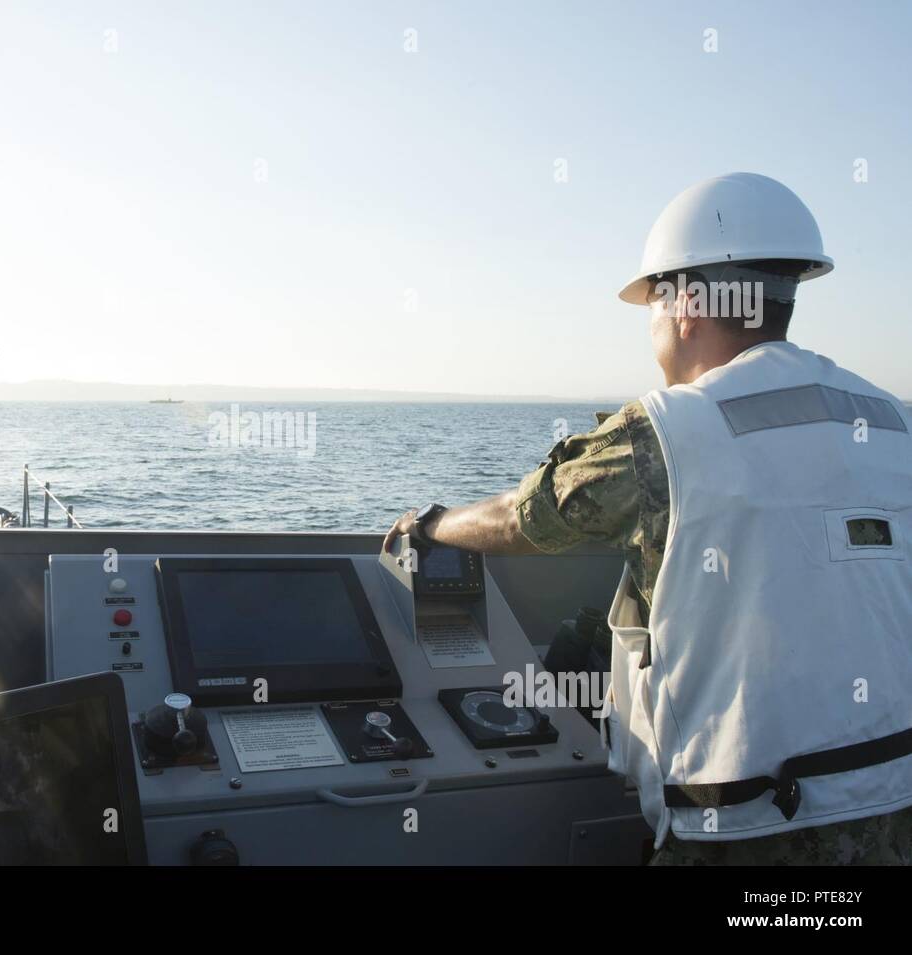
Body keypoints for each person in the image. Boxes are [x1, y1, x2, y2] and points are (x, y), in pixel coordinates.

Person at [384, 173, 912, 864]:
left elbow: (527, 516)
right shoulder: (890, 421)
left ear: (686, 302)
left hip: (745, 831)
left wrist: (430, 526)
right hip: (890, 814)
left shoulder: (671, 430)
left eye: (652, 304)